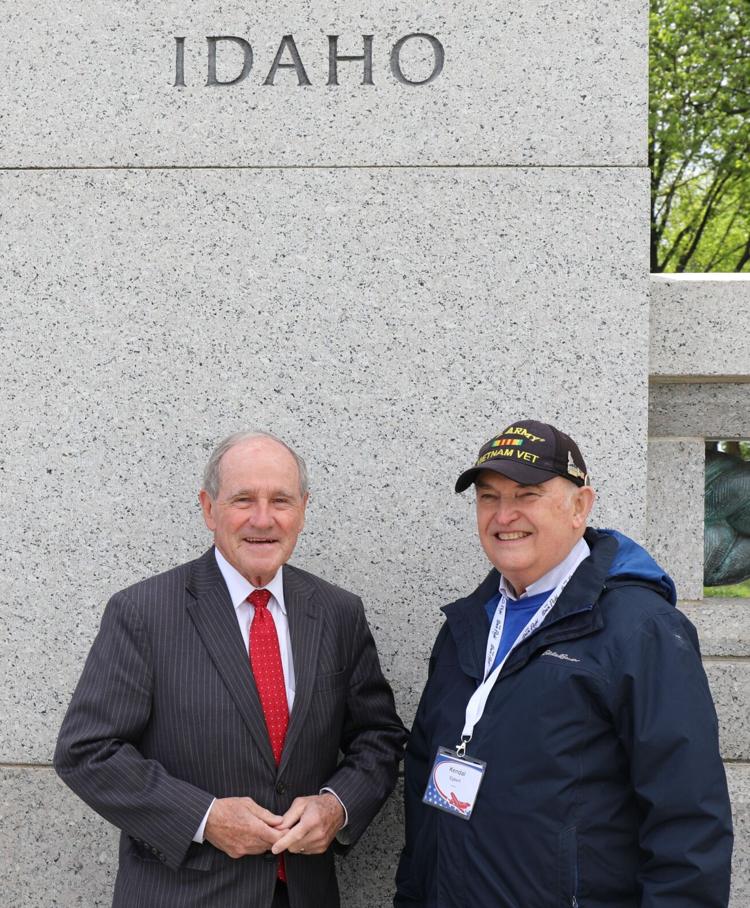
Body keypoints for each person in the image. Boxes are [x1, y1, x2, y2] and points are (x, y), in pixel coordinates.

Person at [55, 430, 406, 908]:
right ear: (208, 508)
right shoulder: (144, 612)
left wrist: (336, 806)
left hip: (303, 893)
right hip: (184, 894)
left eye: (280, 500)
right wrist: (205, 817)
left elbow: (379, 737)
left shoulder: (337, 612)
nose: (263, 519)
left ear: (303, 509)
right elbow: (86, 751)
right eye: (243, 499)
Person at [394, 419, 733, 908]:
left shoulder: (641, 629)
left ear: (580, 506)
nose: (504, 515)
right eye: (489, 497)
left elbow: (689, 821)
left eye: (526, 494)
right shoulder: (465, 627)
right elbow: (425, 799)